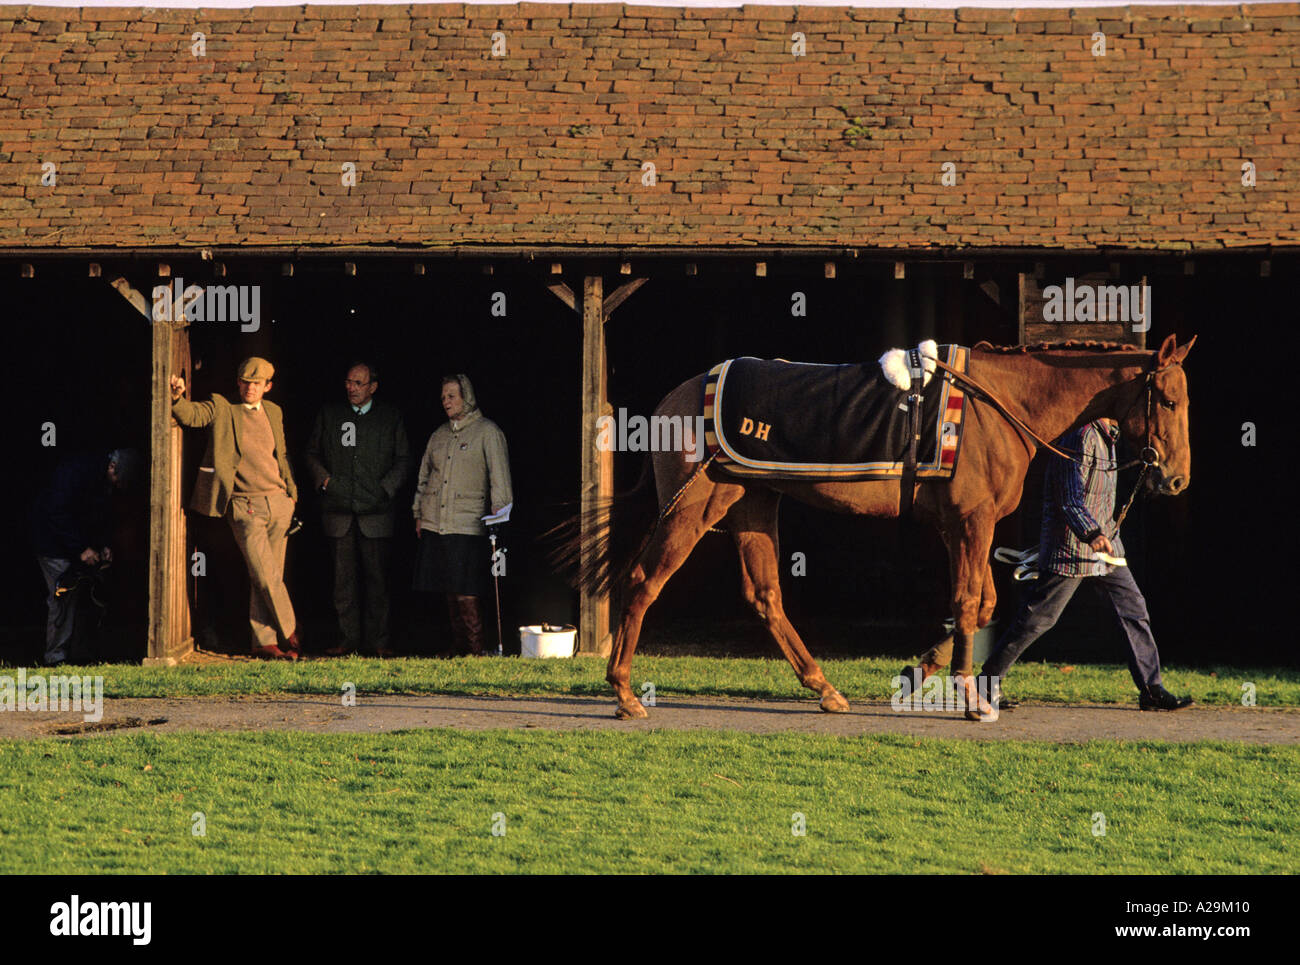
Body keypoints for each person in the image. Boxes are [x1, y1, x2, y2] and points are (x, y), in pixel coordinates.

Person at [975, 417, 1193, 721]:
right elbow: (1068, 497)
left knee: (1133, 608)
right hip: (1074, 546)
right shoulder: (1078, 436)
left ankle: (1151, 689)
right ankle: (987, 682)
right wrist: (1091, 533)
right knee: (1040, 618)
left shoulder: (1110, 437)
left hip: (1106, 547)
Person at [170, 357, 301, 661]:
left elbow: (280, 454)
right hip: (245, 505)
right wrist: (176, 397)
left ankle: (264, 642)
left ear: (268, 386)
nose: (249, 388)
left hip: (279, 503)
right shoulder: (222, 407)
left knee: (265, 575)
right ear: (237, 382)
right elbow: (191, 415)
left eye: (256, 384)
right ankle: (291, 629)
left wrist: (291, 492)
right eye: (244, 381)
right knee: (266, 573)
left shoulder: (274, 411)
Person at [305, 361, 410, 657]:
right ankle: (346, 640)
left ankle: (378, 642)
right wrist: (324, 480)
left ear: (373, 387)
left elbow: (403, 459)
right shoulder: (330, 414)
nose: (351, 388)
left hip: (376, 515)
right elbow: (311, 454)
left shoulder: (390, 417)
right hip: (338, 514)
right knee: (343, 582)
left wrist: (385, 490)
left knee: (378, 581)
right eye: (348, 382)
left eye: (358, 383)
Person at [412, 374, 512, 656]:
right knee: (448, 586)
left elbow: (500, 479)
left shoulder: (487, 432)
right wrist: (419, 513)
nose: (446, 402)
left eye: (452, 396)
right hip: (436, 521)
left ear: (466, 396)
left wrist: (499, 515)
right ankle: (459, 647)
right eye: (443, 397)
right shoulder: (439, 435)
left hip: (468, 523)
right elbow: (423, 477)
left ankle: (476, 648)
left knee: (465, 587)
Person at [32, 448, 141, 665]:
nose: (118, 486)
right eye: (118, 480)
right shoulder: (75, 472)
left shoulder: (102, 482)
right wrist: (80, 549)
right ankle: (55, 658)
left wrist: (103, 546)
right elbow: (57, 513)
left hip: (72, 544)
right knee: (62, 595)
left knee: (85, 596)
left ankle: (80, 654)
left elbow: (96, 516)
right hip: (52, 544)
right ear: (112, 467)